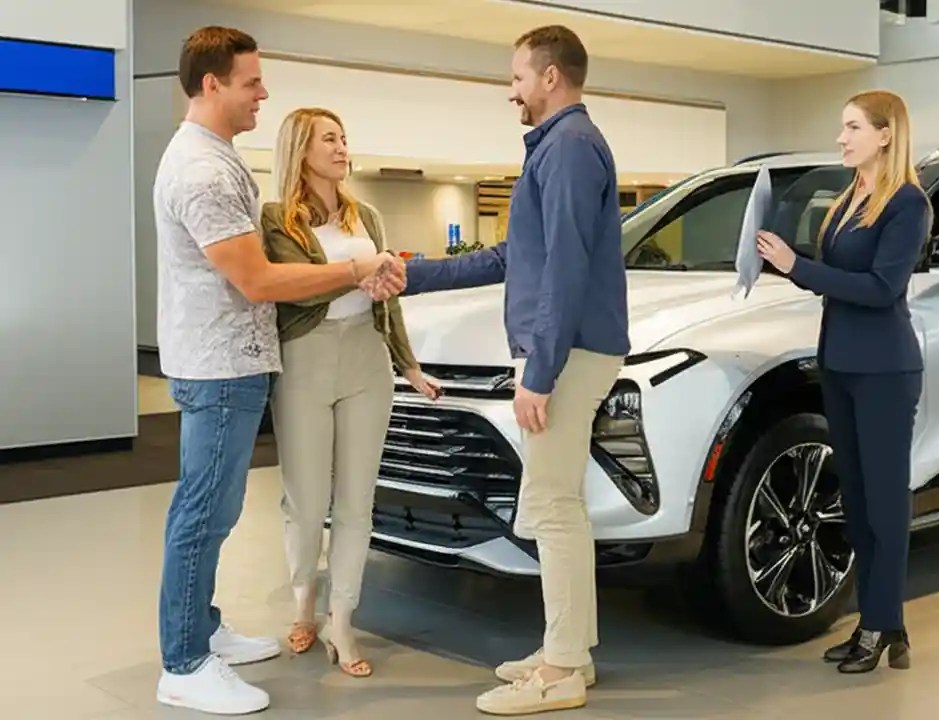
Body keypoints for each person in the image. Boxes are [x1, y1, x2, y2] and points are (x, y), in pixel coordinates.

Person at [371, 24, 629, 716]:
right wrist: (414, 273)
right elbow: (512, 259)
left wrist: (539, 372)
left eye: (517, 76)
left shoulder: (571, 148)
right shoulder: (554, 151)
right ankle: (567, 650)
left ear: (550, 77)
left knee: (551, 507)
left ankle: (564, 668)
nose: (509, 89)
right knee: (557, 504)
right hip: (565, 353)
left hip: (568, 358)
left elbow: (568, 271)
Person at [152, 27, 401, 715]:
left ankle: (201, 631)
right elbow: (257, 280)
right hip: (220, 365)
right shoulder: (202, 172)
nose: (263, 92)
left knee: (218, 510)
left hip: (240, 362)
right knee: (203, 515)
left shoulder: (216, 158)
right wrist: (354, 269)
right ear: (211, 84)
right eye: (251, 81)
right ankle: (184, 661)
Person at [260, 107, 442, 679]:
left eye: (343, 138)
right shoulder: (276, 220)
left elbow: (387, 298)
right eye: (328, 139)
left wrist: (408, 366)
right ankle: (303, 603)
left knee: (358, 501)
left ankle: (342, 619)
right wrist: (360, 270)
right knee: (307, 502)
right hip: (306, 358)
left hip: (366, 357)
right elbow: (295, 293)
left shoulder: (367, 216)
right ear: (301, 150)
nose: (341, 148)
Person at [756, 89, 931, 675]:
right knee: (854, 503)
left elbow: (882, 289)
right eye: (842, 127)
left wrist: (798, 267)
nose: (842, 137)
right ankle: (886, 623)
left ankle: (880, 625)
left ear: (885, 134)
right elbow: (832, 277)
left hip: (884, 369)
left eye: (853, 127)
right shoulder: (849, 198)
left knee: (883, 504)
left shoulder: (907, 204)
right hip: (840, 363)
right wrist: (783, 258)